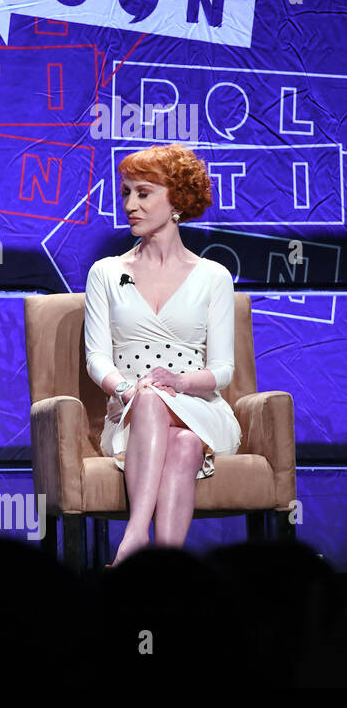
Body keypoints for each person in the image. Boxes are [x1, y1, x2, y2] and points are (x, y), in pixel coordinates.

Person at [83, 144, 241, 565]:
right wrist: (129, 388)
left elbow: (223, 370)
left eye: (144, 193)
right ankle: (168, 570)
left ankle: (134, 537)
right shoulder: (106, 272)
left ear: (177, 200)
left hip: (201, 406)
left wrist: (180, 383)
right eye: (126, 193)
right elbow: (97, 359)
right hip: (130, 410)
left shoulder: (214, 277)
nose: (130, 205)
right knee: (184, 444)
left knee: (180, 419)